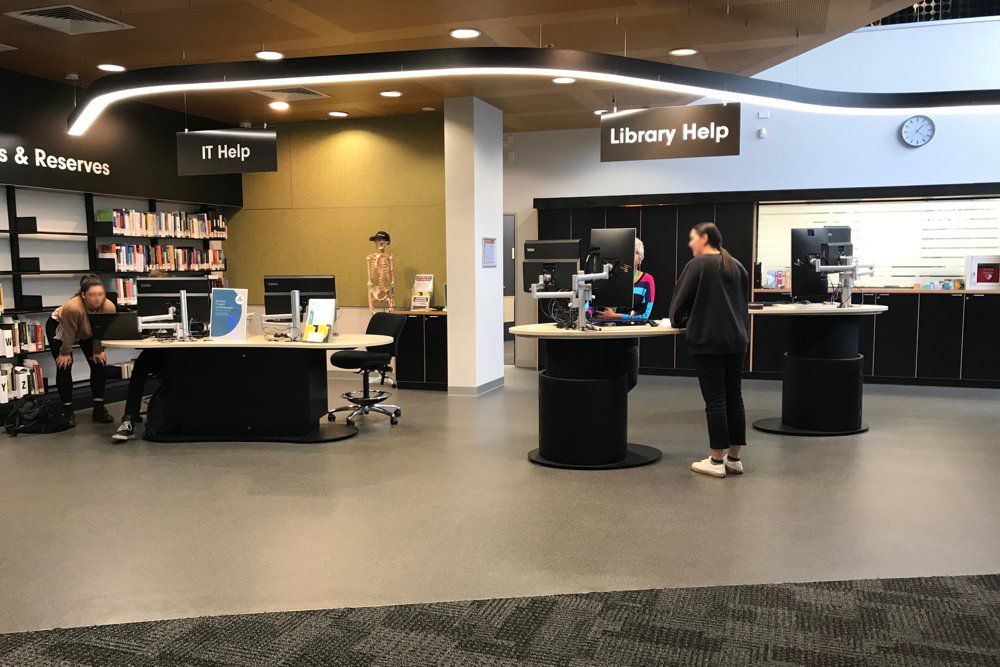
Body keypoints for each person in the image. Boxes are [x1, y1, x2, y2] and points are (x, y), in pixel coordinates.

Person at [669, 222, 750, 478]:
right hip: (736, 340)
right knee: (733, 396)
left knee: (714, 400)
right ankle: (733, 458)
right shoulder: (737, 266)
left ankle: (715, 460)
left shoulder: (698, 265)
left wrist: (684, 322)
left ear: (704, 238)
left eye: (693, 239)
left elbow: (677, 309)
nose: (691, 244)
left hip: (709, 342)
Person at [46, 274, 117, 425]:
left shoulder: (109, 307)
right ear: (83, 295)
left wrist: (98, 350)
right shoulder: (73, 307)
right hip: (60, 328)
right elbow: (70, 333)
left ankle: (98, 409)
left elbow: (101, 331)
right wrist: (64, 353)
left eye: (100, 294)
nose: (97, 298)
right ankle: (67, 411)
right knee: (64, 365)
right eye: (92, 295)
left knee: (98, 363)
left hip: (87, 330)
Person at [112, 269, 169, 442]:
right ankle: (128, 420)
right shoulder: (144, 306)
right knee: (139, 370)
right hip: (155, 350)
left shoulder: (180, 301)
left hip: (177, 351)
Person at [594, 237, 655, 391]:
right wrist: (588, 313)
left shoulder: (647, 280)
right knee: (604, 377)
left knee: (630, 379)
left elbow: (645, 315)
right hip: (602, 335)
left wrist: (616, 317)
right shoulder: (606, 277)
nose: (629, 256)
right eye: (626, 252)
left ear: (640, 258)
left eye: (634, 253)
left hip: (628, 337)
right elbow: (590, 306)